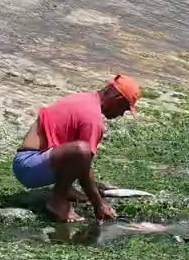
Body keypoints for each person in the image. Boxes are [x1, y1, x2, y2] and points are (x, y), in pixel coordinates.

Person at [13, 75, 141, 222]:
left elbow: (78, 163)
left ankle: (65, 189)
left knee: (80, 152)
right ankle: (57, 201)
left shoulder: (84, 98)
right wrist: (99, 204)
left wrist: (93, 189)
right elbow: (82, 162)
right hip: (29, 166)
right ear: (117, 100)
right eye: (124, 109)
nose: (121, 114)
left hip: (31, 161)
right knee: (82, 150)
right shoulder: (93, 120)